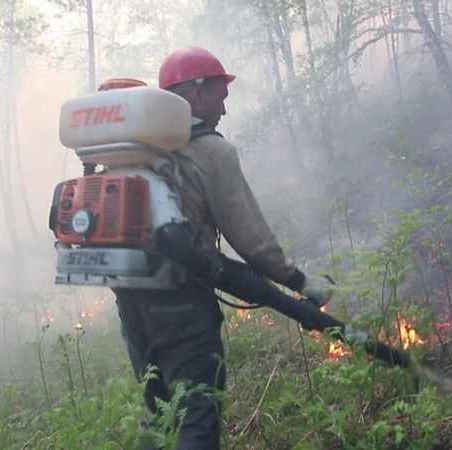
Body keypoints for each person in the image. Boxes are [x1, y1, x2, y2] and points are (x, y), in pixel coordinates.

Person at [114, 47, 335, 449]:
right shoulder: (210, 150)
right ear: (197, 92)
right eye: (221, 96)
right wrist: (301, 281)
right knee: (197, 414)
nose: (224, 109)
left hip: (130, 299)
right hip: (182, 300)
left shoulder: (136, 151)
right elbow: (252, 240)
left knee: (160, 413)